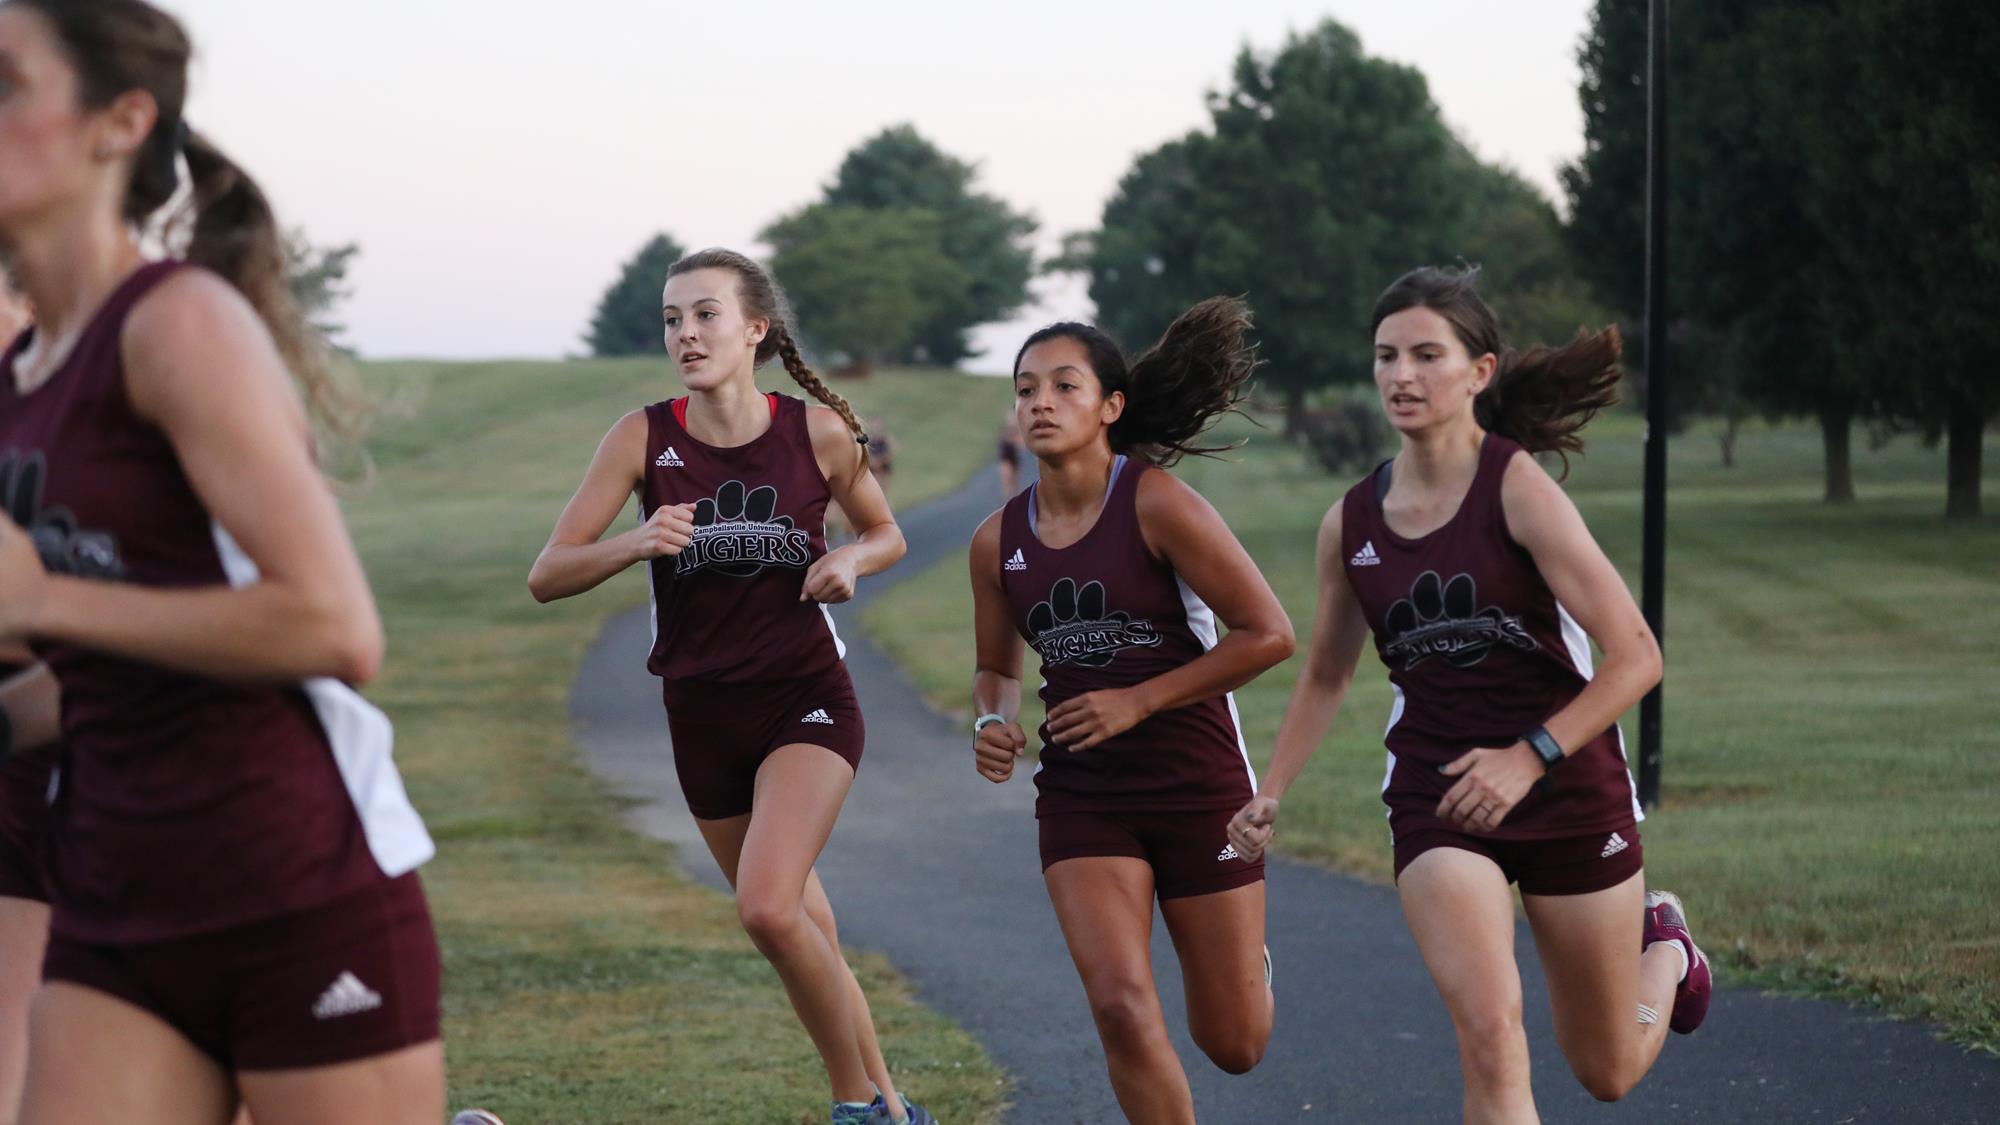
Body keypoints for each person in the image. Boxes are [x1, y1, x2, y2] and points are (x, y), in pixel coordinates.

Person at [0, 2, 442, 1122]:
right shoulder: (23, 377)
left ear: (118, 121)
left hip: (292, 886)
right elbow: (111, 659)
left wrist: (48, 596)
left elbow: (333, 629)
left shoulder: (174, 325)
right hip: (110, 896)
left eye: (5, 83)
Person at [1228, 265, 1711, 1122]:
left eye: (1425, 354)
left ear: (1478, 372)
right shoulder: (1352, 522)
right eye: (1386, 356)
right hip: (1440, 796)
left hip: (1569, 787)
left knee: (1605, 1068)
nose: (1401, 375)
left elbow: (1636, 654)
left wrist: (1531, 757)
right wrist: (1271, 789)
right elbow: (1329, 671)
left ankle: (1666, 951)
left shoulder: (1518, 488)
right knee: (1491, 1028)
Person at [529, 248, 934, 1125]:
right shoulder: (641, 437)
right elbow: (549, 572)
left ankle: (855, 1105)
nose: (685, 334)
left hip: (804, 700)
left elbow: (888, 532)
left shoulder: (815, 432)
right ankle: (900, 1112)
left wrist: (852, 557)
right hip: (700, 715)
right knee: (807, 930)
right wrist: (634, 542)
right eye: (673, 319)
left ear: (755, 329)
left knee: (766, 908)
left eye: (705, 314)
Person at [968, 298, 1294, 1123]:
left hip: (1195, 780)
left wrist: (1137, 700)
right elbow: (994, 668)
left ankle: (1244, 962)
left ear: (1110, 406)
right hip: (1084, 795)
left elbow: (1269, 633)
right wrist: (991, 722)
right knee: (1118, 1005)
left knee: (1236, 1043)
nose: (1040, 401)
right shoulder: (995, 540)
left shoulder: (1157, 504)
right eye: (1026, 388)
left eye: (1064, 386)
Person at [995, 409, 1022, 497]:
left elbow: (1020, 445)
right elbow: (1002, 441)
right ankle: (1007, 501)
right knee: (1006, 480)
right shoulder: (1004, 431)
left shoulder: (1017, 432)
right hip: (1005, 457)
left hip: (1014, 457)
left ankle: (1015, 499)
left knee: (1014, 482)